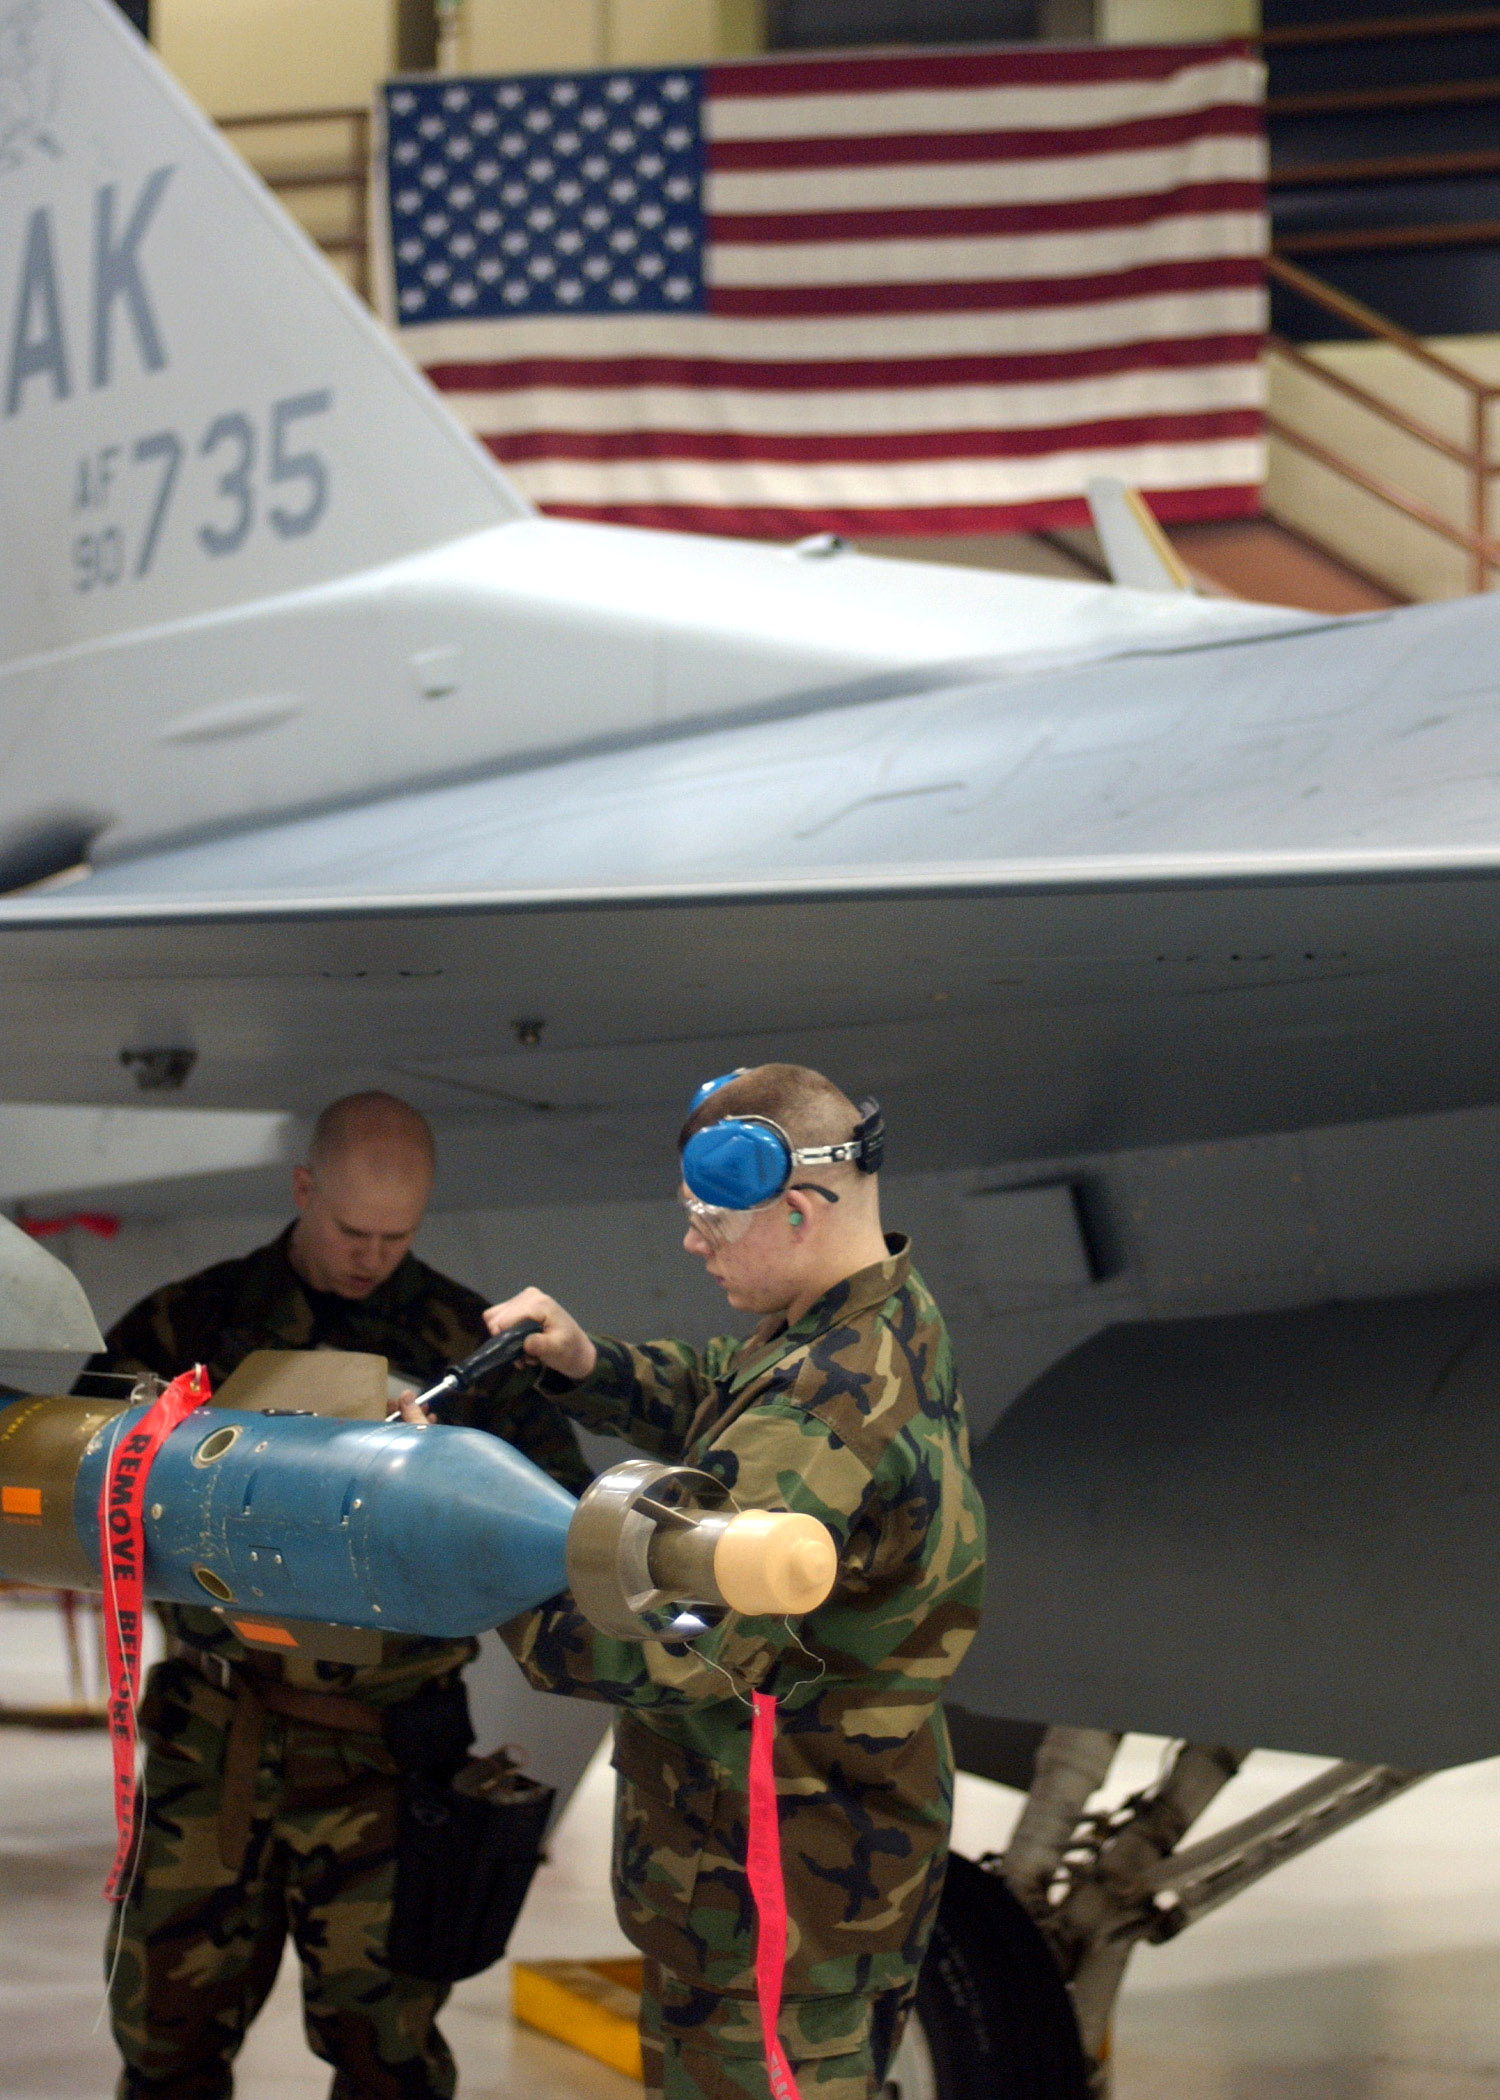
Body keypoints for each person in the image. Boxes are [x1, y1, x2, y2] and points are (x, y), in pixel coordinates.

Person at [473, 1063, 987, 2100]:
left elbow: (675, 1643)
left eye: (709, 1218)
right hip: (805, 1871)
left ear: (796, 1209)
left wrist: (471, 1565)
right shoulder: (874, 1316)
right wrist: (589, 1367)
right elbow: (730, 1395)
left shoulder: (828, 1408)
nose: (691, 1243)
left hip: (771, 1903)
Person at [77, 1091, 589, 2100]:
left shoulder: (463, 1344)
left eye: (397, 1236)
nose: (371, 1256)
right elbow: (90, 1473)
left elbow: (554, 1522)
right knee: (163, 2038)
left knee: (386, 2053)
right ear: (303, 1189)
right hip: (218, 1730)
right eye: (353, 1230)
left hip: (392, 1752)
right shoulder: (196, 1322)